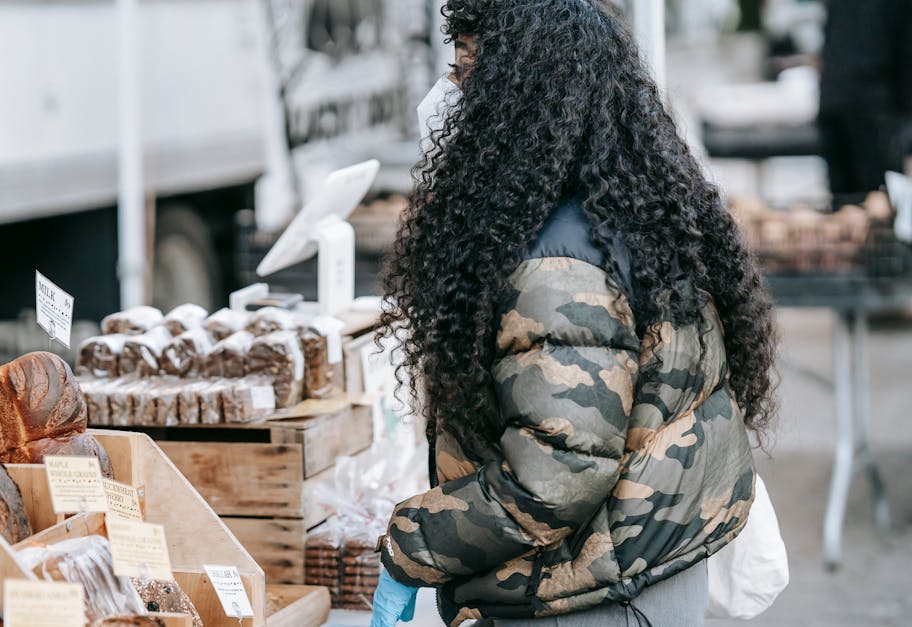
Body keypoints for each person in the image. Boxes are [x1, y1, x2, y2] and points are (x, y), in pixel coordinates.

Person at [371, 1, 778, 625]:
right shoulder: (631, 208)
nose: (447, 98)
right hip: (642, 574)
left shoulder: (557, 268)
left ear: (518, 96)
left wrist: (412, 545)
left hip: (594, 598)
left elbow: (557, 475)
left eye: (465, 78)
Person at [818, 0, 912, 209]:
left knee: (845, 212)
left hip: (833, 99)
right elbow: (906, 50)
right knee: (877, 212)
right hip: (873, 106)